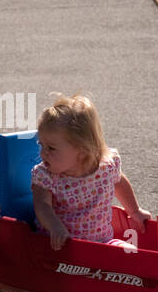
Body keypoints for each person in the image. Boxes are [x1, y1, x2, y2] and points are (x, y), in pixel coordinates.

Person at [31, 94, 151, 250]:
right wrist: (55, 227)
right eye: (42, 145)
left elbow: (119, 182)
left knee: (130, 252)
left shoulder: (106, 166)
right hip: (61, 244)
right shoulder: (46, 176)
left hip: (102, 241)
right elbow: (42, 205)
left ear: (82, 150)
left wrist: (135, 211)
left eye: (51, 148)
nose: (43, 153)